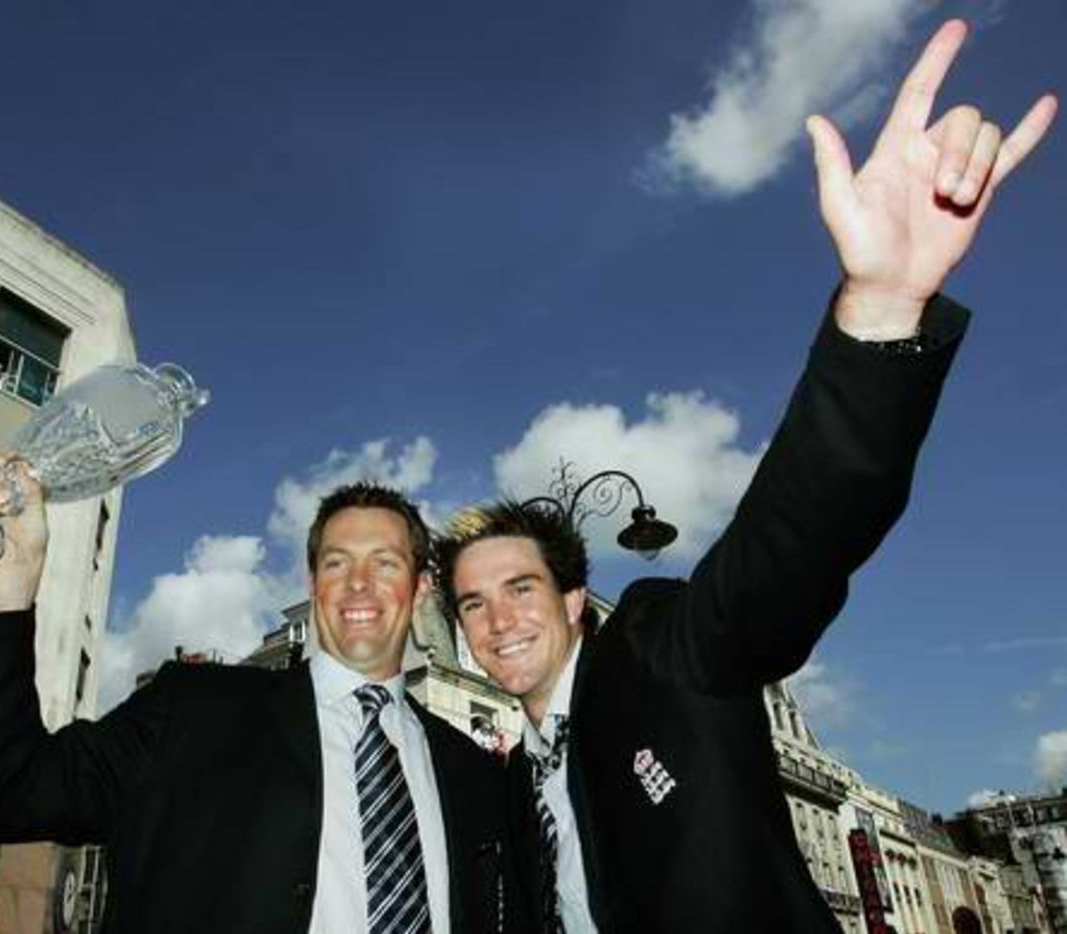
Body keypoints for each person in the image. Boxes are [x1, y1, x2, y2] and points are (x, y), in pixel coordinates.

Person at [433, 20, 1056, 934]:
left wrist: (879, 317)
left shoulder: (660, 654)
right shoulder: (511, 781)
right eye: (473, 604)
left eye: (520, 587)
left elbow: (791, 545)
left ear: (575, 601)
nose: (499, 619)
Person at [0, 481, 514, 933]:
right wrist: (12, 578)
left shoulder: (476, 775)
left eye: (385, 563)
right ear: (314, 588)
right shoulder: (191, 711)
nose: (358, 582)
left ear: (418, 590)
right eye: (337, 563)